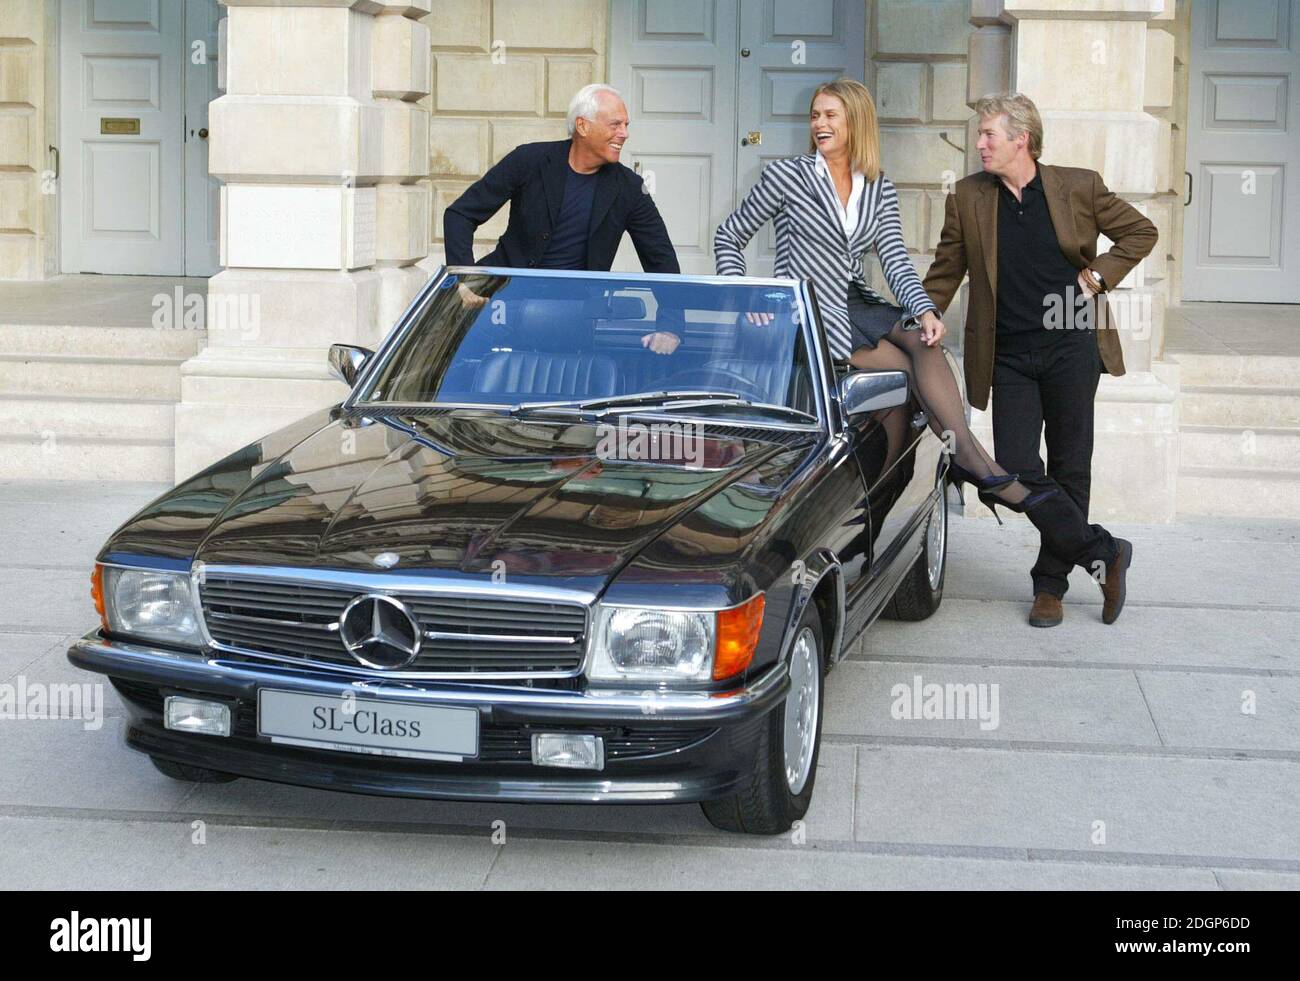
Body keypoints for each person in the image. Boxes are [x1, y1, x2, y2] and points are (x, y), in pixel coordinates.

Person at [714, 78, 1132, 625]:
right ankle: (984, 468)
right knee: (916, 375)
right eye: (816, 115)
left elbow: (895, 261)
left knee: (920, 339)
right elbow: (729, 236)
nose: (820, 124)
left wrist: (926, 310)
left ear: (856, 122)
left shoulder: (876, 186)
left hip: (857, 304)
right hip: (809, 314)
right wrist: (750, 297)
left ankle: (974, 463)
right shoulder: (786, 177)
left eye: (832, 115)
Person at [923, 92, 1156, 627]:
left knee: (1071, 465)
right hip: (1008, 354)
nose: (980, 145)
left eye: (988, 135)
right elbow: (946, 268)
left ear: (1021, 139)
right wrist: (927, 310)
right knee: (1015, 466)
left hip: (1072, 345)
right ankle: (1103, 551)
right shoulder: (969, 196)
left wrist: (1099, 274)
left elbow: (1141, 231)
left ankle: (1049, 585)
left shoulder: (1078, 186)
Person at [442, 83, 682, 356]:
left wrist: (670, 327)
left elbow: (660, 259)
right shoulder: (528, 160)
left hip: (570, 322)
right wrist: (464, 279)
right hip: (497, 306)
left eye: (626, 125)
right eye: (615, 124)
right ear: (582, 126)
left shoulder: (629, 188)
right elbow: (460, 214)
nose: (624, 134)